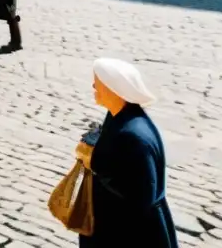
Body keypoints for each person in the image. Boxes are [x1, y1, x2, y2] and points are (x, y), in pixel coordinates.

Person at [75, 58, 178, 247]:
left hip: (132, 234)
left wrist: (93, 162)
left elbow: (142, 196)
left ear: (113, 88)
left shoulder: (134, 136)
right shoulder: (118, 116)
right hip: (114, 226)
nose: (93, 85)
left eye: (97, 82)